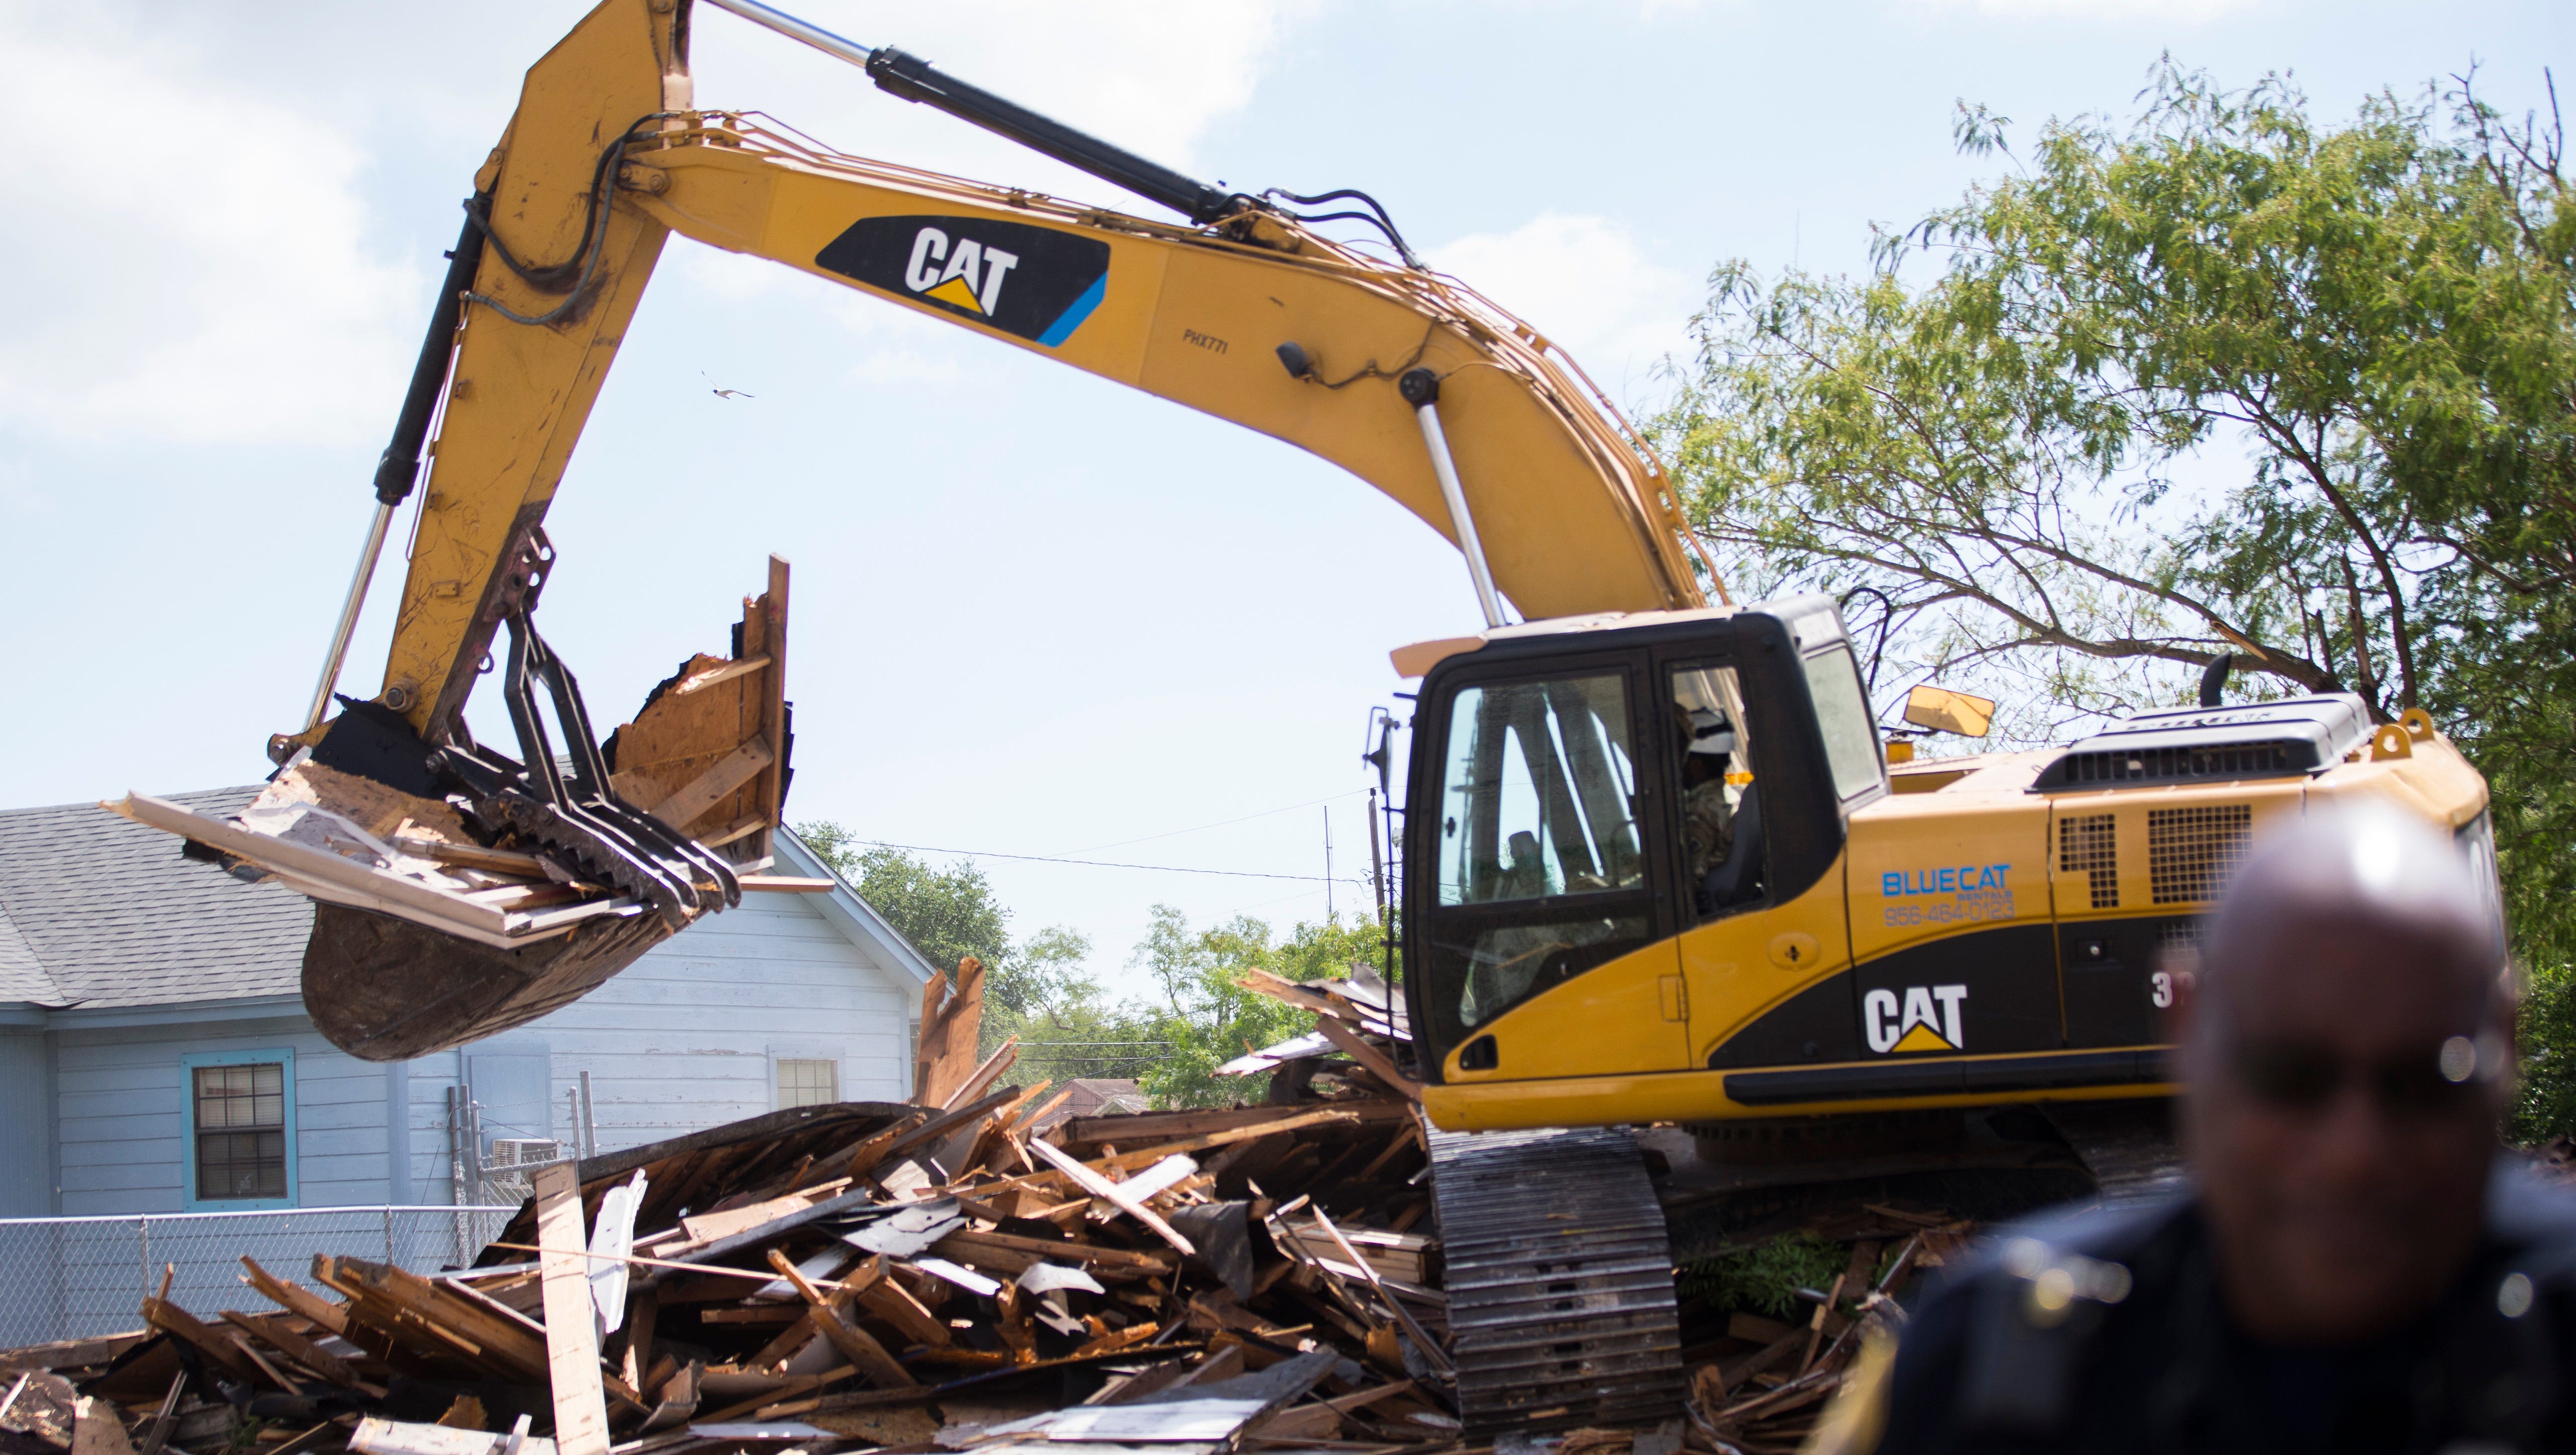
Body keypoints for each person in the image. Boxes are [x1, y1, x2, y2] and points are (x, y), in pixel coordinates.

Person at [1844, 803, 2576, 1454]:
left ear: (2504, 1045)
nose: (2355, 1152)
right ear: (2186, 1026)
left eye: (2424, 1080)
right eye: (2291, 1078)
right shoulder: (2000, 1367)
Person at [1681, 708, 1736, 888]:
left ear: (1697, 766)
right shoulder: (1720, 799)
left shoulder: (1700, 811)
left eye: (1681, 759)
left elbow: (1686, 881)